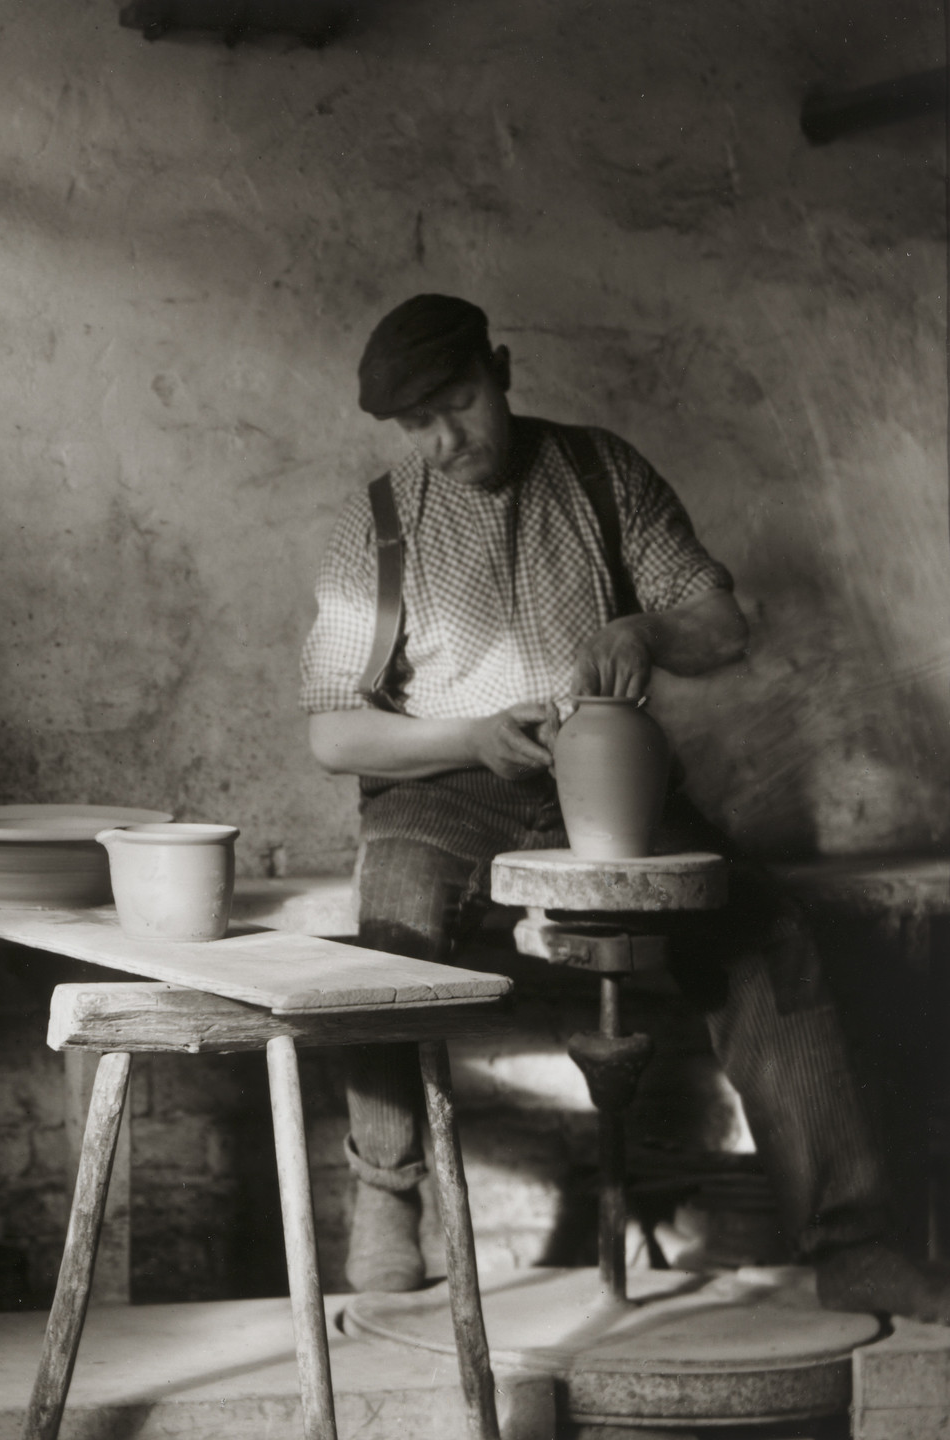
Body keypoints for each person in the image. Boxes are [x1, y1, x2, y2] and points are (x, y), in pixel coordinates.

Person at [300, 292, 950, 1320]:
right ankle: (386, 1203)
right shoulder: (378, 525)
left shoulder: (604, 474)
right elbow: (334, 732)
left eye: (460, 403)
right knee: (387, 934)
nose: (446, 439)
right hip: (447, 789)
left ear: (502, 368)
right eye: (417, 424)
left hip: (600, 782)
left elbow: (722, 624)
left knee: (765, 933)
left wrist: (645, 633)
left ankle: (857, 1240)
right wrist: (468, 737)